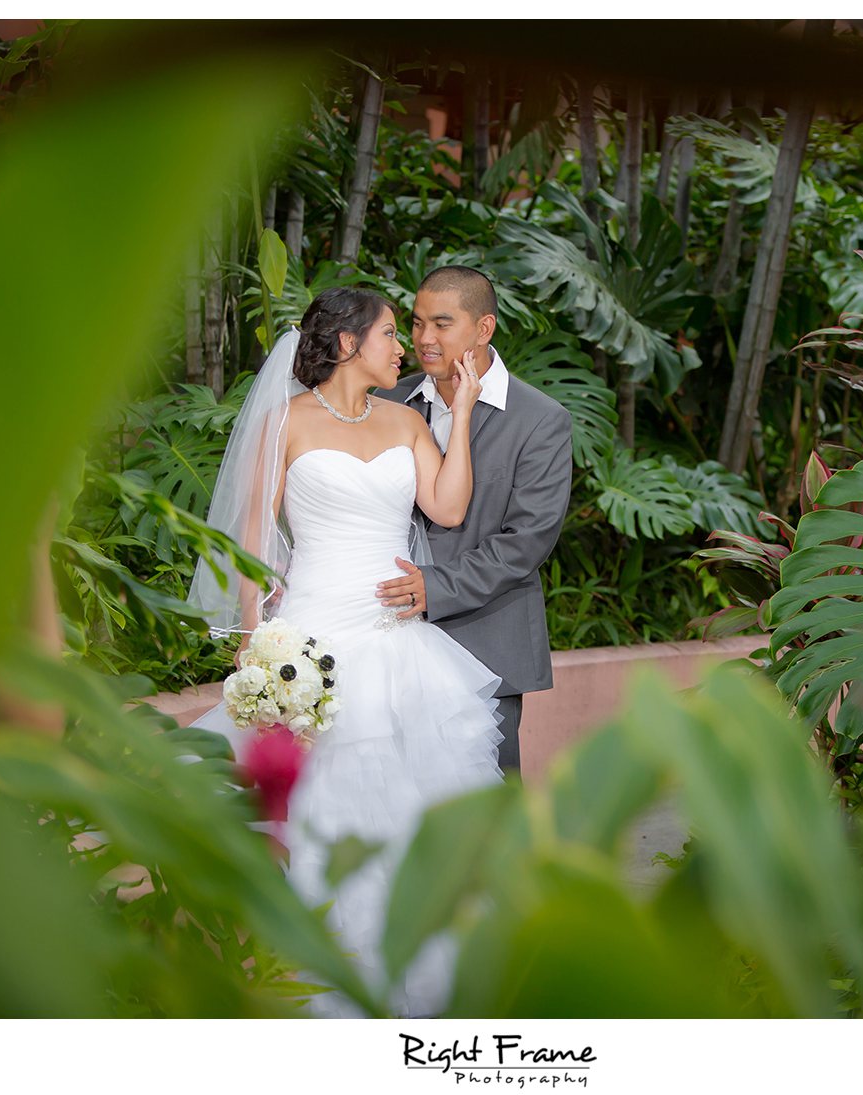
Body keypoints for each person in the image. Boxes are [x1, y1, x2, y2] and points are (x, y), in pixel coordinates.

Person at [188, 287, 502, 1018]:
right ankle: (319, 983)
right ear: (346, 344)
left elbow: (448, 508)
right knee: (322, 812)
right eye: (392, 333)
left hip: (400, 645)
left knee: (411, 807)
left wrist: (457, 413)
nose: (405, 346)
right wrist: (250, 643)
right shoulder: (285, 423)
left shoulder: (408, 421)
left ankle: (416, 982)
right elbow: (251, 544)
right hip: (310, 638)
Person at [374, 266, 574, 771]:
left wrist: (434, 587)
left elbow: (527, 539)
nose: (424, 339)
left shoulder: (540, 419)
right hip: (384, 636)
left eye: (442, 324)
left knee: (485, 812)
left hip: (488, 637)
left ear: (483, 329)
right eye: (416, 324)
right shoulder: (387, 403)